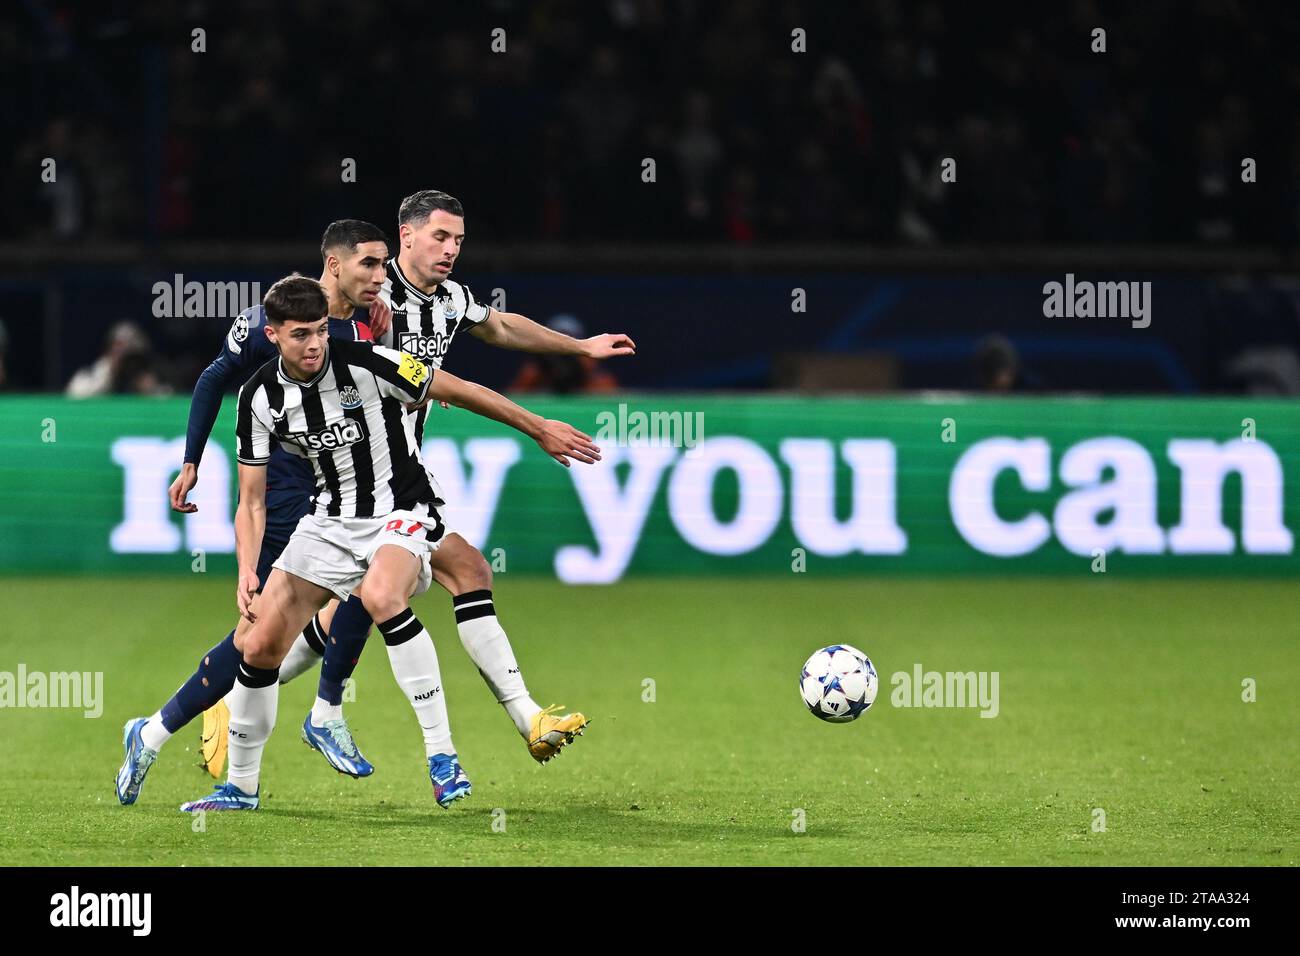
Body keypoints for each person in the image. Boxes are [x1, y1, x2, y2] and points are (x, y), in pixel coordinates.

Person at [179, 275, 597, 810]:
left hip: (404, 507)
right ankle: (240, 786)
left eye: (320, 333)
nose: (313, 345)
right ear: (273, 335)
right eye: (300, 335)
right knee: (258, 645)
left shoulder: (371, 360)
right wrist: (246, 572)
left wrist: (537, 426)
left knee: (382, 596)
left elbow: (463, 391)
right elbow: (251, 500)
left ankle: (442, 757)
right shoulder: (258, 396)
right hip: (330, 520)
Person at [117, 221, 394, 805]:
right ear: (334, 263)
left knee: (337, 603)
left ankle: (170, 730)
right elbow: (216, 375)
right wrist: (191, 460)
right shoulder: (276, 320)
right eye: (369, 264)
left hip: (341, 486)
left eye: (383, 265)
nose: (379, 276)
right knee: (269, 628)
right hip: (290, 490)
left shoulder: (363, 325)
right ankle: (309, 714)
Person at [509, 315, 621, 394]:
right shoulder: (533, 374)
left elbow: (611, 410)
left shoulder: (600, 380)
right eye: (557, 341)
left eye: (569, 340)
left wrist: (586, 374)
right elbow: (514, 401)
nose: (563, 351)